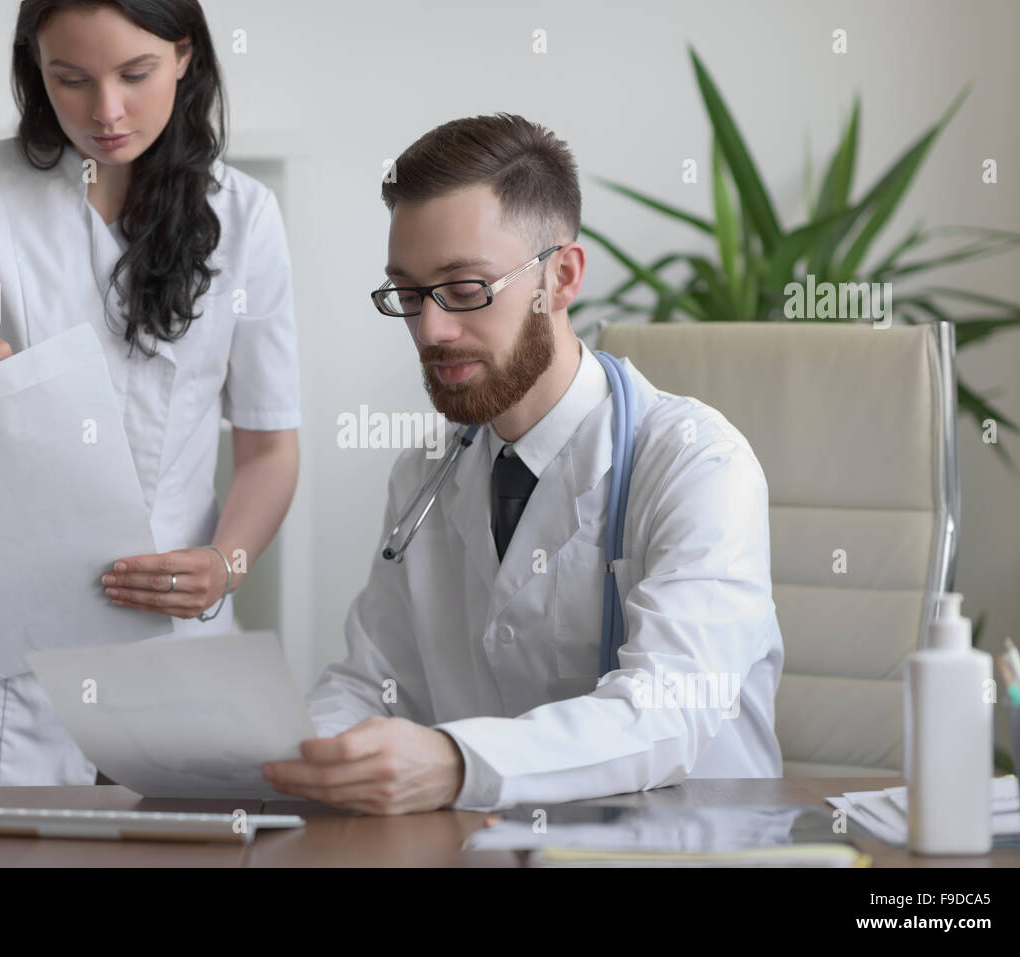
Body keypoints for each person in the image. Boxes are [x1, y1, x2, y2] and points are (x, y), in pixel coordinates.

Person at [264, 113, 782, 814]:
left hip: (682, 850)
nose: (432, 330)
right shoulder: (426, 475)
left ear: (560, 277)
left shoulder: (697, 465)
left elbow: (668, 711)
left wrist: (456, 763)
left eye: (466, 288)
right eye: (410, 295)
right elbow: (373, 681)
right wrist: (298, 756)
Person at [0, 0, 300, 786]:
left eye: (135, 75)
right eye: (71, 79)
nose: (106, 111)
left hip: (173, 640)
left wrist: (224, 563)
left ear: (185, 57)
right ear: (36, 68)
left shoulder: (245, 217)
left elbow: (269, 446)